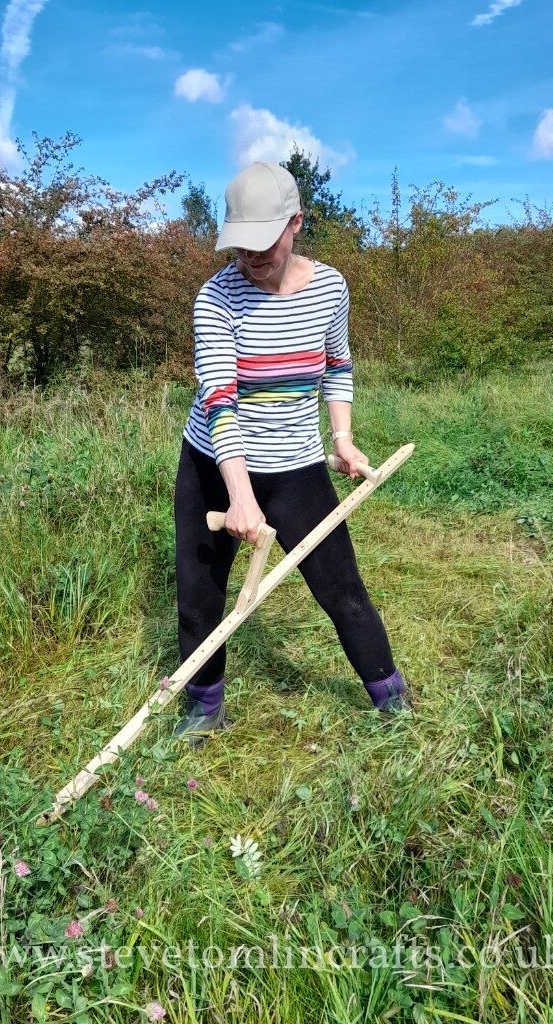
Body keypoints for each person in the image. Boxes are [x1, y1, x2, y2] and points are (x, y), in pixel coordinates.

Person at [172, 161, 411, 747]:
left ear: (295, 223)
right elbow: (220, 402)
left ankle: (392, 699)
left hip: (296, 466)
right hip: (213, 466)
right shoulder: (216, 298)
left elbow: (338, 365)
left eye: (264, 242)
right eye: (241, 244)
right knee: (200, 597)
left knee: (342, 589)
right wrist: (240, 498)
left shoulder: (330, 289)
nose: (251, 256)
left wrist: (342, 438)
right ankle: (203, 707)